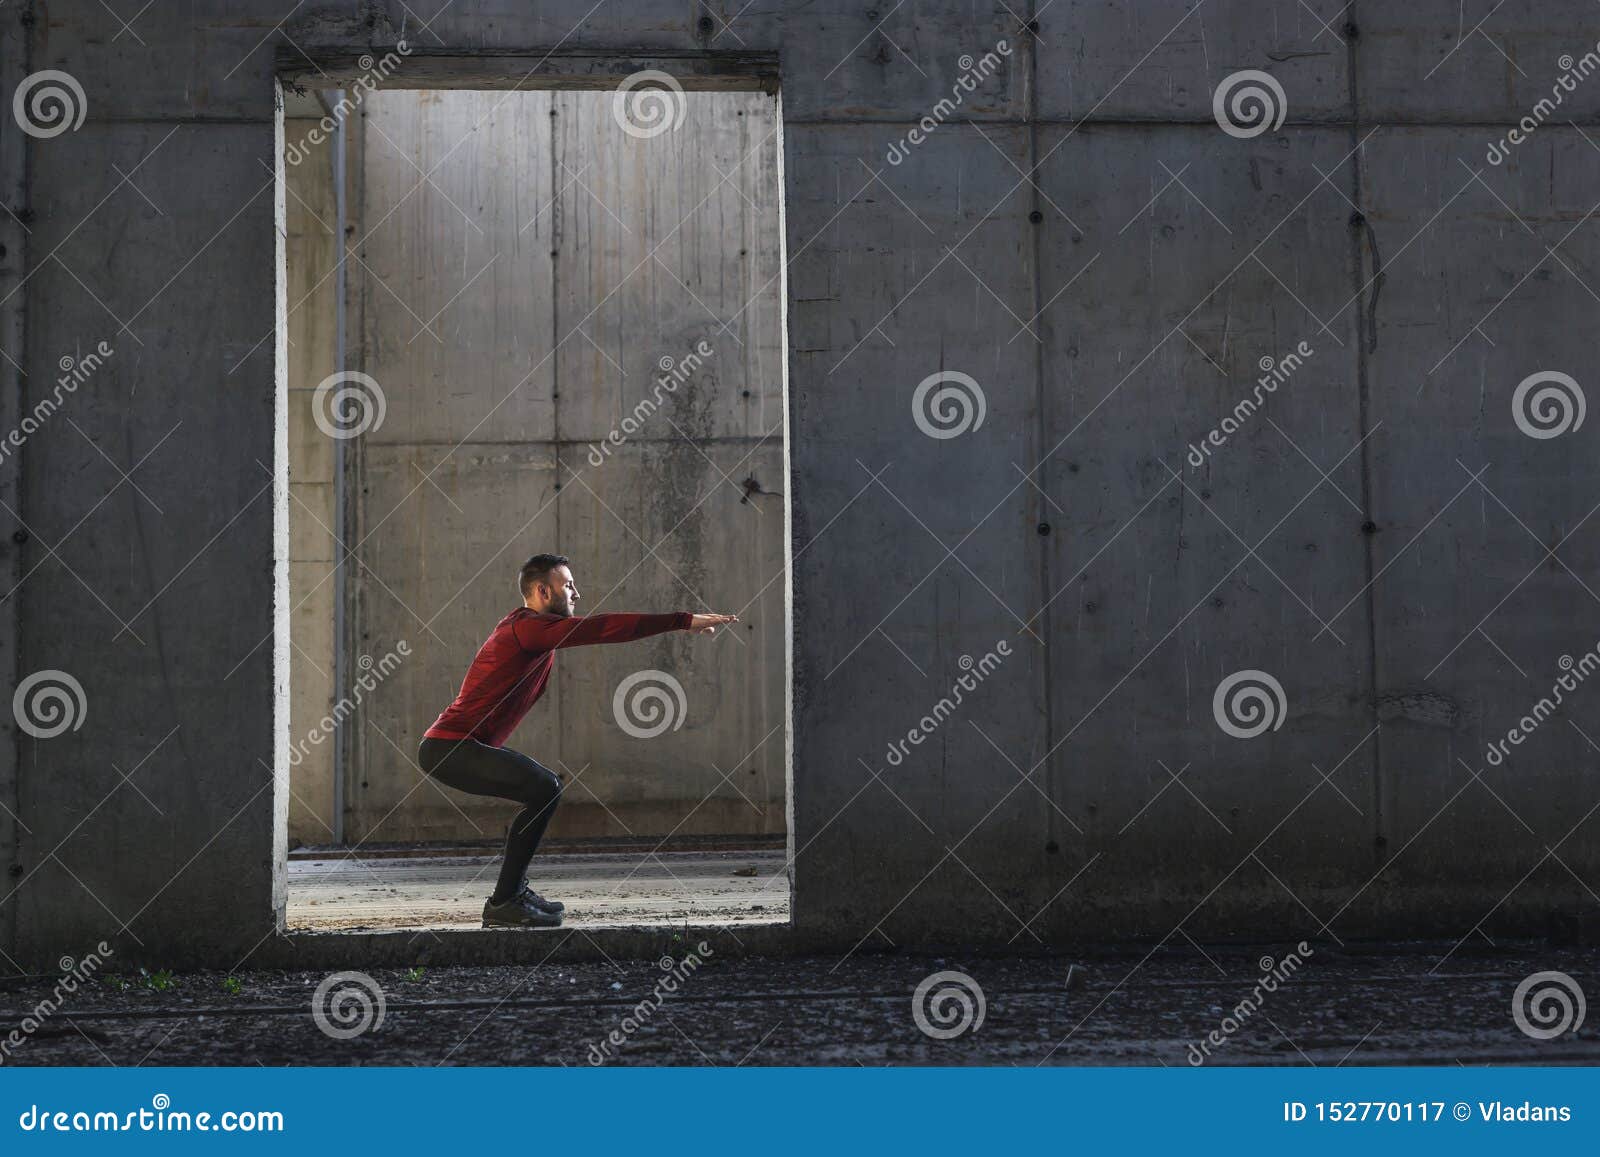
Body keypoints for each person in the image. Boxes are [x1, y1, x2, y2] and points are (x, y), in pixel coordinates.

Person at [418, 553, 736, 928]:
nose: (576, 592)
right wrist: (682, 621)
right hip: (449, 749)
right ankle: (505, 901)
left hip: (455, 747)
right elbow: (603, 628)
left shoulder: (528, 630)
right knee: (544, 788)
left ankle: (511, 894)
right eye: (568, 585)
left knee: (541, 791)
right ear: (541, 590)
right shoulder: (527, 630)